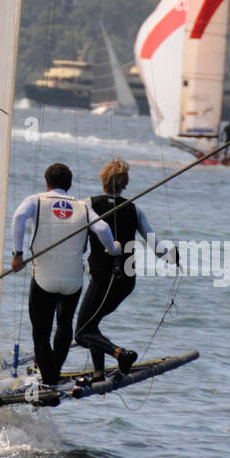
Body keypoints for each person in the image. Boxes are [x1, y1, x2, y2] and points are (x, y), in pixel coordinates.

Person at [11, 163, 120, 387]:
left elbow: (18, 217)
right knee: (64, 324)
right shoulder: (82, 207)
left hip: (44, 278)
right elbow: (102, 229)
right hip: (73, 280)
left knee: (40, 334)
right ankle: (54, 373)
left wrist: (18, 254)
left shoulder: (35, 200)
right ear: (69, 185)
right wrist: (113, 249)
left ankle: (49, 380)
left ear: (47, 181)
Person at [75, 158, 179, 380]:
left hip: (104, 279)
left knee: (82, 332)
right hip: (126, 282)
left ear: (102, 180)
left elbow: (78, 243)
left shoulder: (88, 205)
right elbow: (156, 246)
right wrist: (173, 258)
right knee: (92, 324)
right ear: (124, 184)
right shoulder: (134, 209)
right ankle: (98, 373)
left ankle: (121, 354)